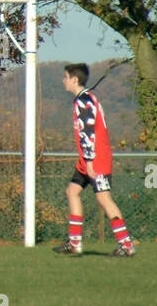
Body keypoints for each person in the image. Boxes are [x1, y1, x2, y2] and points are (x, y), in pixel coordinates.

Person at [56, 63, 136, 257]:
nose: (63, 81)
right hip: (88, 158)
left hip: (96, 158)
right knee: (72, 191)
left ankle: (126, 245)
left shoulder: (84, 101)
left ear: (74, 79)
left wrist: (90, 162)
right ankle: (75, 243)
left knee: (104, 199)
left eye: (66, 77)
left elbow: (87, 133)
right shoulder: (86, 99)